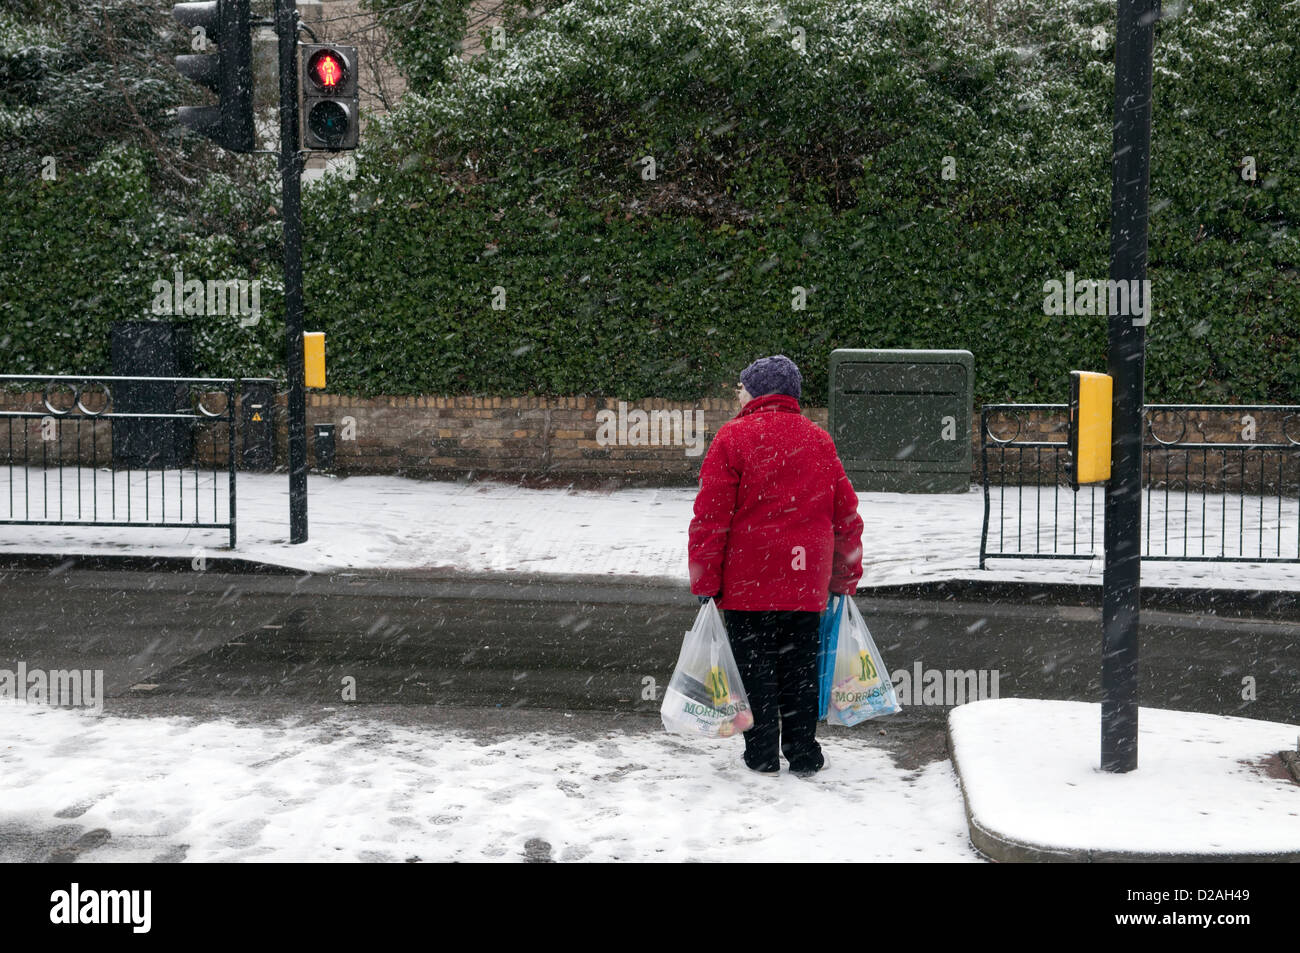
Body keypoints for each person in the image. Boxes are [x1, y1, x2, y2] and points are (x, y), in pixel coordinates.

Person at [688, 354, 864, 776]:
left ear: (756, 391)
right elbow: (847, 516)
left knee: (755, 671)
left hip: (748, 586)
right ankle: (804, 752)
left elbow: (710, 520)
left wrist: (706, 582)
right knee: (801, 670)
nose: (738, 393)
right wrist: (844, 578)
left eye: (742, 386)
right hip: (806, 586)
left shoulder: (732, 438)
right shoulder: (819, 440)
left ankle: (762, 754)